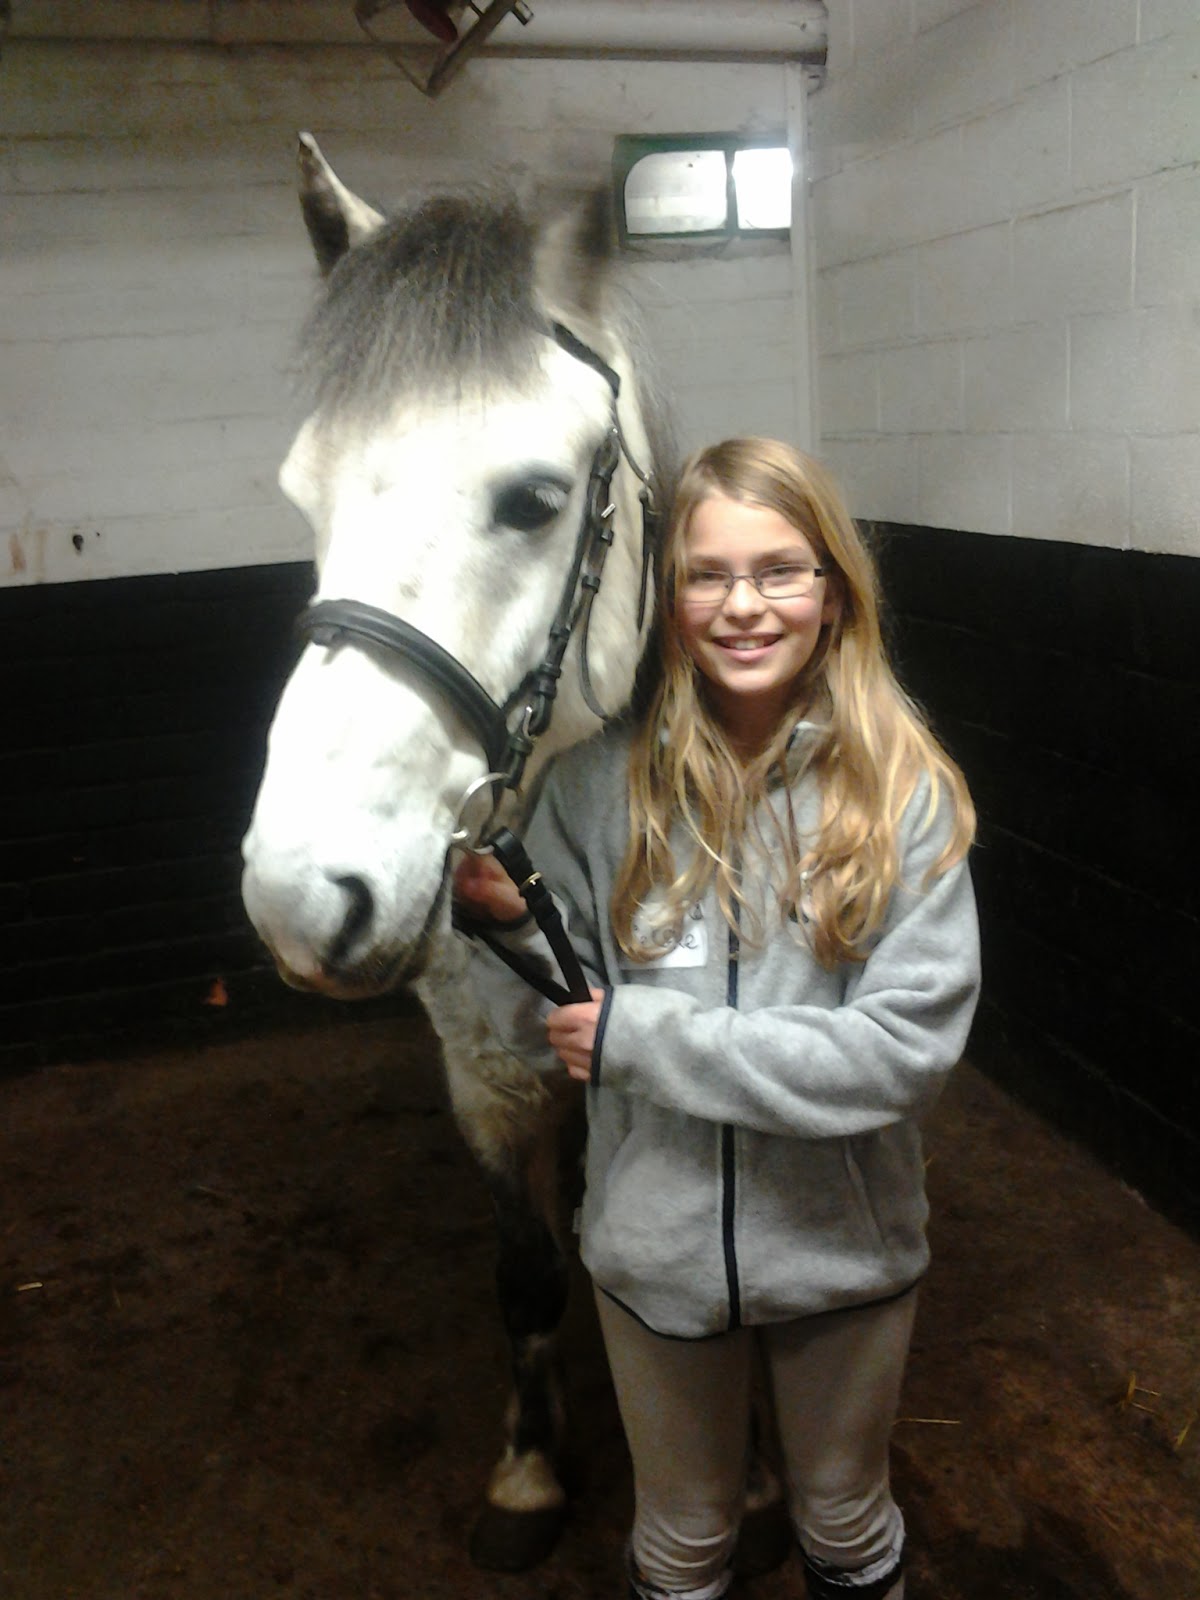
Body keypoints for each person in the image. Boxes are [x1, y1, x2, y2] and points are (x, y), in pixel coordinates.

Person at [454, 438, 981, 1600]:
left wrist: (647, 1040)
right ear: (667, 600)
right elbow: (561, 994)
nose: (743, 604)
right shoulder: (599, 785)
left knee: (844, 1523)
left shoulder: (905, 798)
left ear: (832, 592)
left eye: (781, 569)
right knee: (683, 1539)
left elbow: (901, 1056)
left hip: (844, 1253)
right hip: (657, 1253)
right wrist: (506, 920)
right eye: (706, 573)